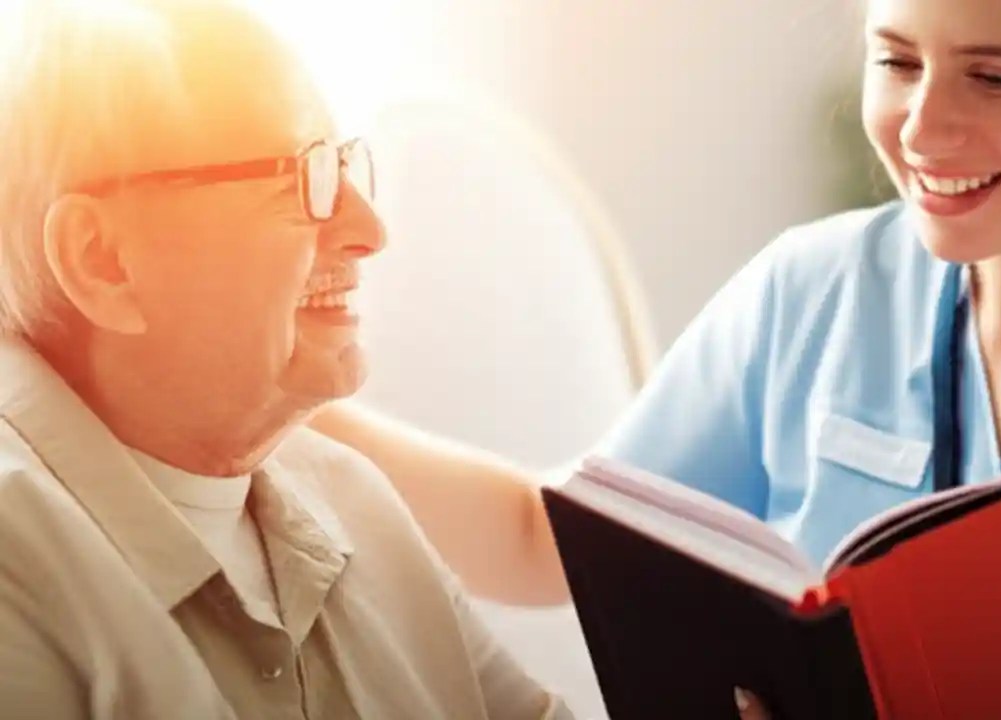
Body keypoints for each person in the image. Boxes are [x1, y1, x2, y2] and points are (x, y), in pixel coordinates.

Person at [316, 0, 1001, 717]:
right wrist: (290, 403)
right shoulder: (813, 291)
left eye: (996, 78)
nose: (920, 126)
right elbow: (547, 541)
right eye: (898, 62)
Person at [0, 0, 575, 717]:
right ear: (104, 260)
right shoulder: (16, 567)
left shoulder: (353, 498)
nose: (370, 230)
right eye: (304, 180)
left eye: (342, 166)